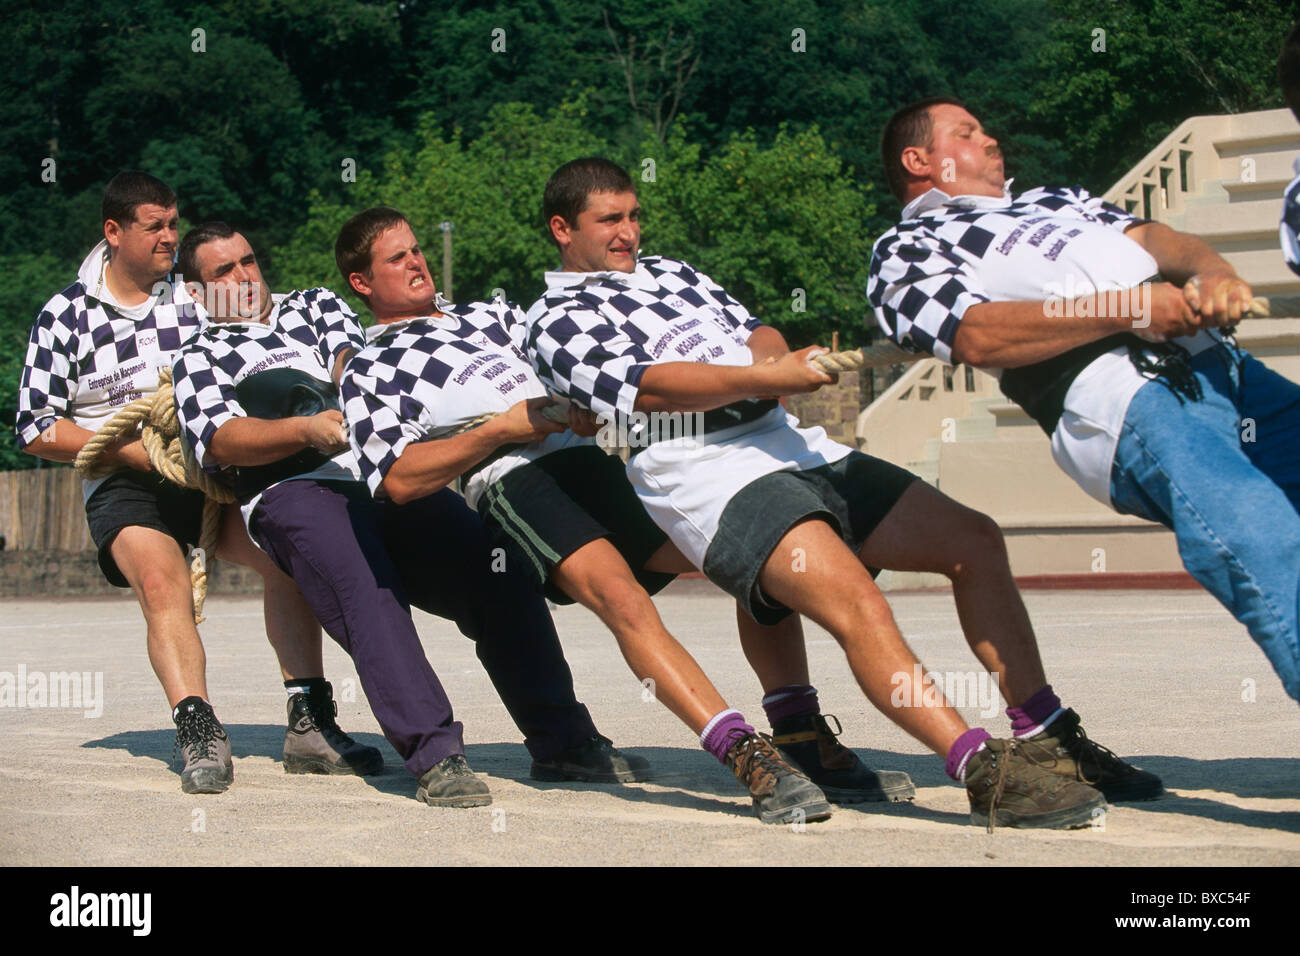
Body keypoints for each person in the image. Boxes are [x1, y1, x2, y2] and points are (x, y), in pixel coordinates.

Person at [524, 157, 1157, 829]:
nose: (629, 231)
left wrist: (772, 362)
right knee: (856, 600)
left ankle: (1050, 739)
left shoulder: (672, 272)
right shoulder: (554, 317)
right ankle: (980, 770)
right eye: (609, 220)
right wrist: (755, 377)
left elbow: (754, 329)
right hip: (704, 472)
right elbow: (649, 387)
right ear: (563, 228)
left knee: (972, 539)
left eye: (634, 214)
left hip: (789, 442)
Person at [335, 206, 872, 823]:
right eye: (395, 258)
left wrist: (587, 399)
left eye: (416, 249)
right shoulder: (372, 366)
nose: (416, 262)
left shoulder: (493, 315)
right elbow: (399, 480)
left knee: (744, 552)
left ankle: (798, 729)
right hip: (516, 481)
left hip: (598, 458)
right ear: (362, 283)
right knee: (624, 601)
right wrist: (504, 428)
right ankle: (743, 752)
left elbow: (579, 361)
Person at [171, 221, 644, 806]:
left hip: (374, 468)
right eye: (223, 272)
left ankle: (565, 743)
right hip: (292, 486)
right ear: (195, 292)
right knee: (368, 591)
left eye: (248, 261)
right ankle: (435, 754)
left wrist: (362, 402)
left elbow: (356, 357)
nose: (244, 277)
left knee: (493, 571)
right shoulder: (199, 356)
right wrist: (306, 428)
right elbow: (219, 438)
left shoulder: (314, 305)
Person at [868, 97, 1300, 704]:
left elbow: (1155, 238)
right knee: (1258, 528)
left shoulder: (1054, 200)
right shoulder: (908, 246)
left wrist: (1212, 270)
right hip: (1131, 398)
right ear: (919, 160)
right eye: (967, 133)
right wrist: (1129, 308)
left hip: (1228, 370)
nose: (991, 140)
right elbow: (973, 334)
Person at [15, 172, 377, 794]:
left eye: (173, 223)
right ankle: (198, 727)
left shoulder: (194, 295)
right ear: (113, 231)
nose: (168, 236)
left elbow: (269, 324)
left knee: (285, 559)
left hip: (213, 466)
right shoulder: (65, 314)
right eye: (154, 225)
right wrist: (136, 451)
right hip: (124, 477)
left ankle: (309, 721)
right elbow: (34, 428)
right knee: (165, 581)